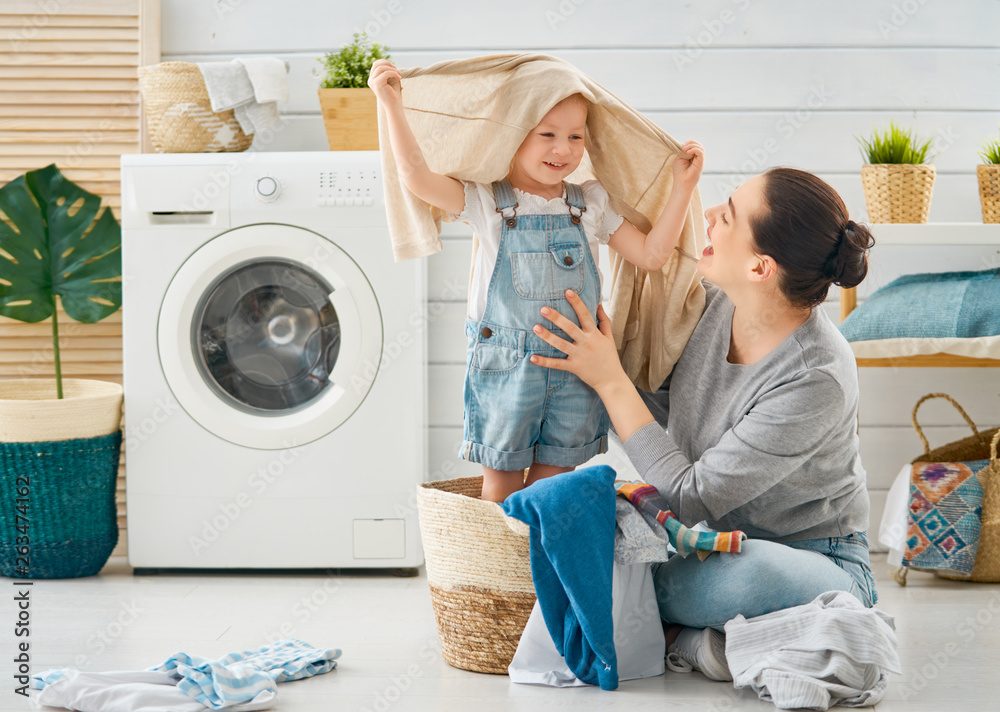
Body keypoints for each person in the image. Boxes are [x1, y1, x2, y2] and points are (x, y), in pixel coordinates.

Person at [529, 167, 878, 681]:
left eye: (729, 216)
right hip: (708, 547)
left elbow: (689, 497)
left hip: (813, 560)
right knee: (606, 553)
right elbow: (657, 403)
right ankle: (699, 640)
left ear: (761, 267)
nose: (710, 217)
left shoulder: (817, 375)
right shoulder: (709, 308)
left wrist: (611, 382)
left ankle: (681, 632)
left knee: (747, 578)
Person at [368, 59, 705, 502]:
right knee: (502, 489)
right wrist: (390, 103)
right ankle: (496, 571)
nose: (562, 149)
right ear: (514, 131)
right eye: (547, 134)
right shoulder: (488, 201)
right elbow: (415, 176)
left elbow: (653, 254)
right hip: (506, 368)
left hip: (576, 371)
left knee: (548, 492)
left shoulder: (592, 204)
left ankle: (532, 571)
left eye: (575, 137)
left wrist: (683, 188)